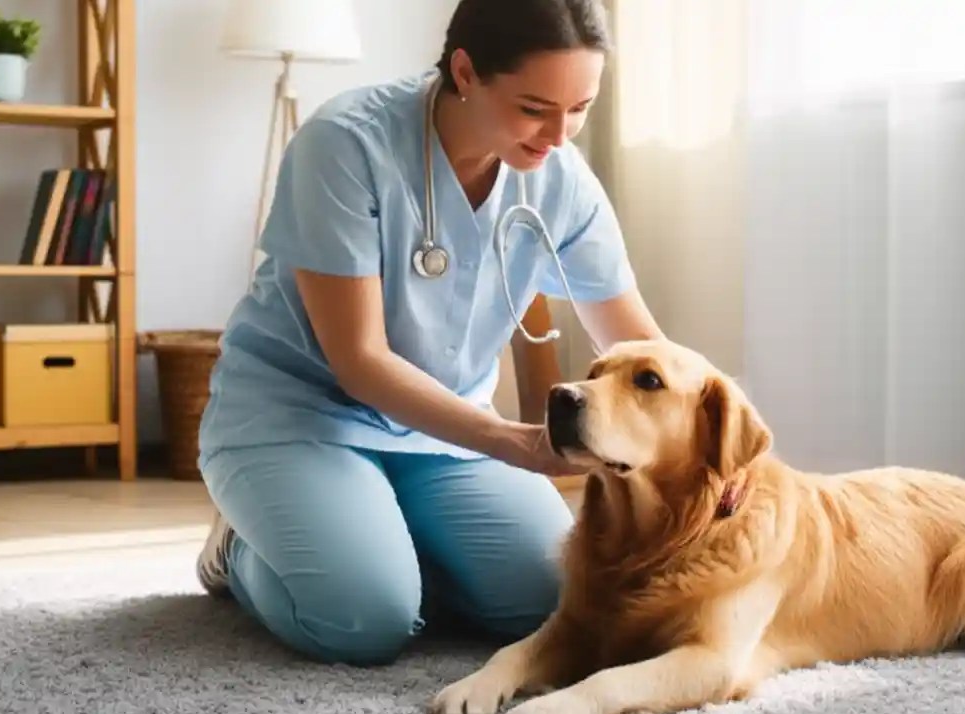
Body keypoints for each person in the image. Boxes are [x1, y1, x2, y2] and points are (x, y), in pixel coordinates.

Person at [193, 0, 663, 667]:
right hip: (300, 416)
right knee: (363, 620)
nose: (560, 136)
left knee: (556, 599)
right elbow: (359, 361)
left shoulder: (560, 178)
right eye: (535, 108)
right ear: (466, 72)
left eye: (580, 108)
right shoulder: (345, 144)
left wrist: (711, 432)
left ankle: (377, 541)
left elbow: (637, 343)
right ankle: (239, 547)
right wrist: (516, 442)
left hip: (443, 430)